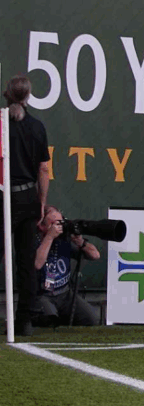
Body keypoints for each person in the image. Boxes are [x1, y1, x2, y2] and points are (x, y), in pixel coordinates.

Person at [3, 75, 51, 337]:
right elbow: (43, 169)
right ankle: (24, 321)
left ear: (7, 95)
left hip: (3, 195)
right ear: (28, 97)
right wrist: (41, 202)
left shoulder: (1, 124)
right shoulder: (37, 127)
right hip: (27, 198)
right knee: (26, 262)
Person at [32, 206, 101, 327]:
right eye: (53, 224)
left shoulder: (64, 240)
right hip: (42, 295)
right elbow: (37, 264)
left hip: (65, 294)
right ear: (41, 226)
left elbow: (95, 255)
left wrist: (80, 242)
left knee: (92, 319)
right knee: (49, 322)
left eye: (60, 223)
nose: (58, 227)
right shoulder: (33, 240)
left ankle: (61, 317)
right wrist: (49, 237)